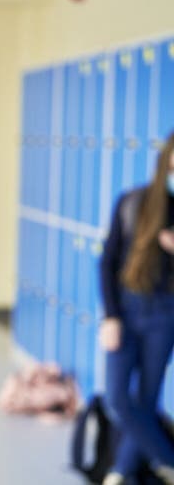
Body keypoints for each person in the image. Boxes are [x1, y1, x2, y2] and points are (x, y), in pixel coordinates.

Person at [99, 130, 174, 485]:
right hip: (127, 310)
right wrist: (111, 317)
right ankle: (168, 460)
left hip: (166, 314)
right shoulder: (132, 202)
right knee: (117, 397)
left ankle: (120, 472)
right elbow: (107, 263)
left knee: (146, 398)